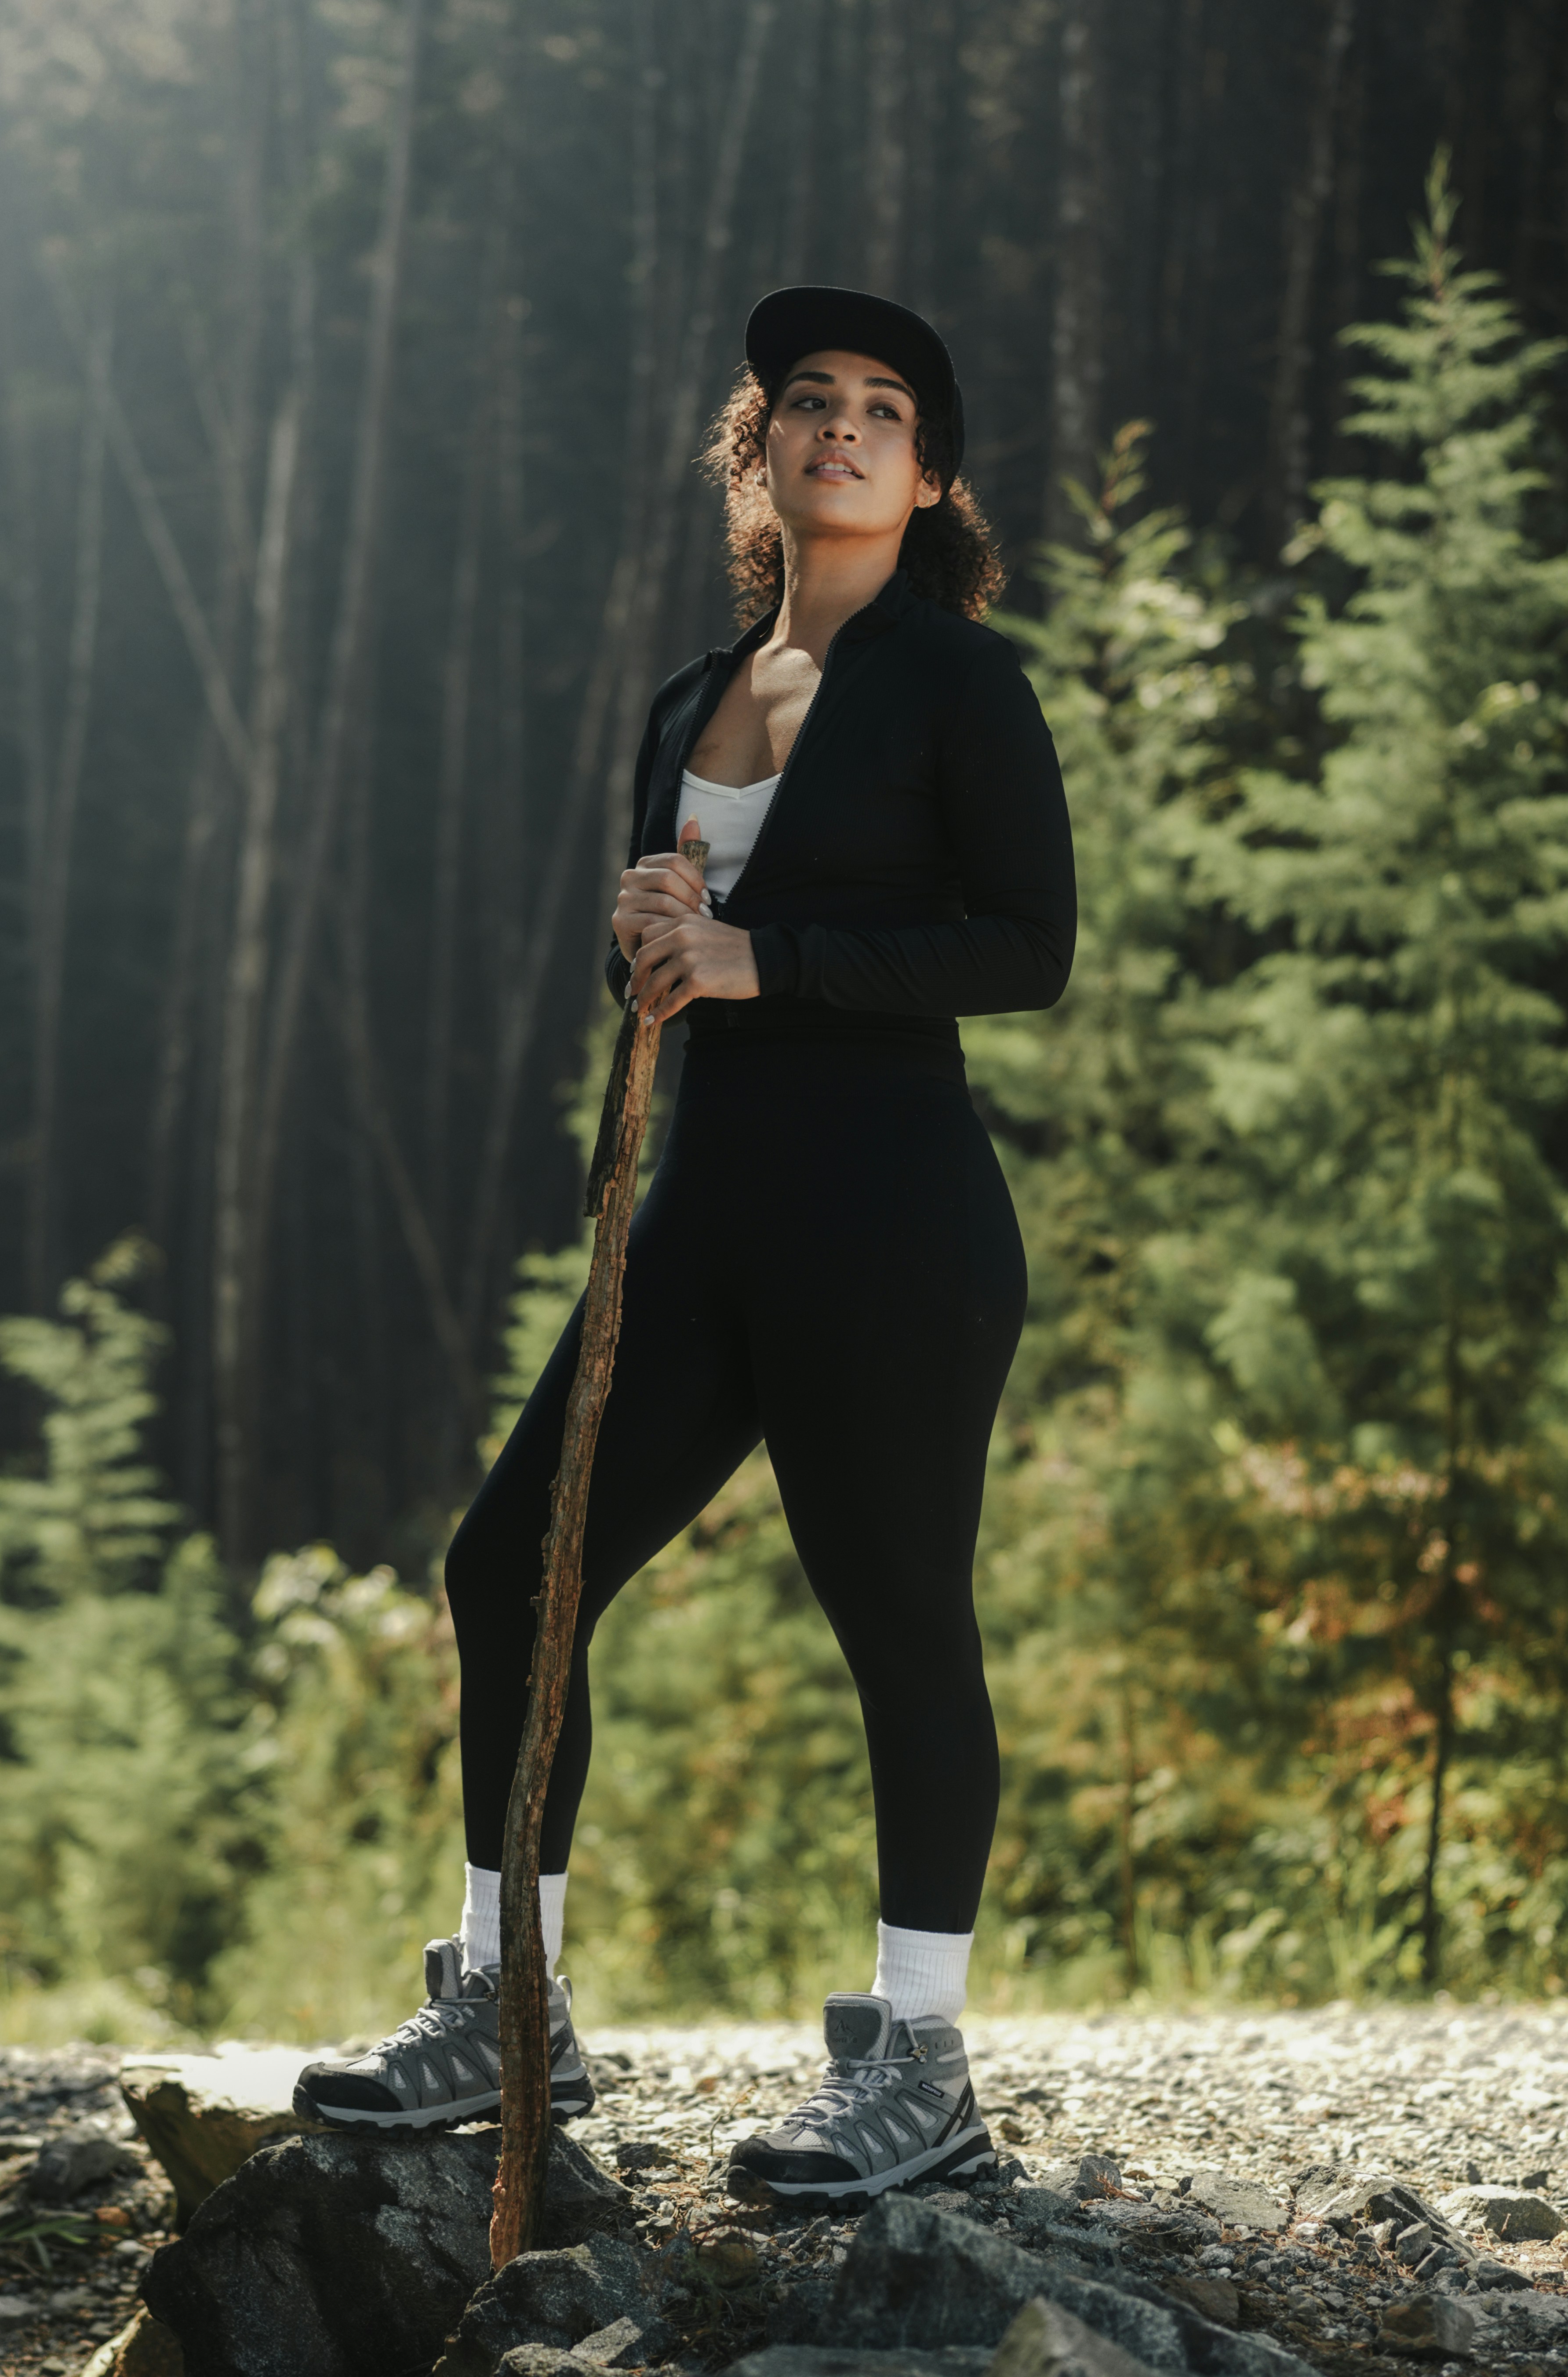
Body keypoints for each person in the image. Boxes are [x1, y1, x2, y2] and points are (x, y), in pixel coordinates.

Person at [295, 286, 1075, 2204]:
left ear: (931, 473)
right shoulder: (688, 697)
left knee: (897, 1610)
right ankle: (509, 2002)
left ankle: (925, 2060)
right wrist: (655, 929)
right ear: (761, 450)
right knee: (511, 1571)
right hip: (700, 1220)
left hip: (896, 1222)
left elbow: (1027, 948)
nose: (842, 424)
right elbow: (664, 978)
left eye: (885, 407)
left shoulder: (962, 680)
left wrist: (764, 950)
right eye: (807, 398)